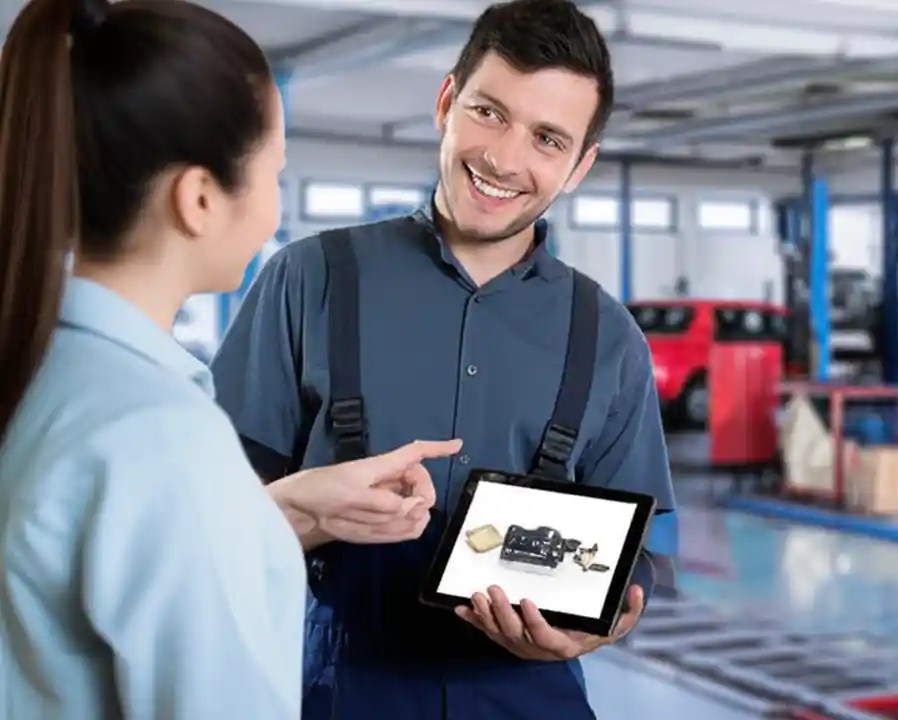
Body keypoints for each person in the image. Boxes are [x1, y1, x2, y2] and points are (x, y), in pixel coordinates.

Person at [210, 0, 677, 717]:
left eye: (547, 139)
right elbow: (213, 515)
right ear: (445, 103)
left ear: (580, 166)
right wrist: (313, 511)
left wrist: (597, 626)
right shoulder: (310, 280)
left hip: (531, 700)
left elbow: (638, 556)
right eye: (489, 112)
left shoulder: (609, 337)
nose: (503, 159)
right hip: (335, 689)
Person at [0, 1, 461, 718]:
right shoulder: (161, 436)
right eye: (275, 174)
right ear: (200, 199)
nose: (275, 209)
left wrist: (281, 507)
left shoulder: (41, 366)